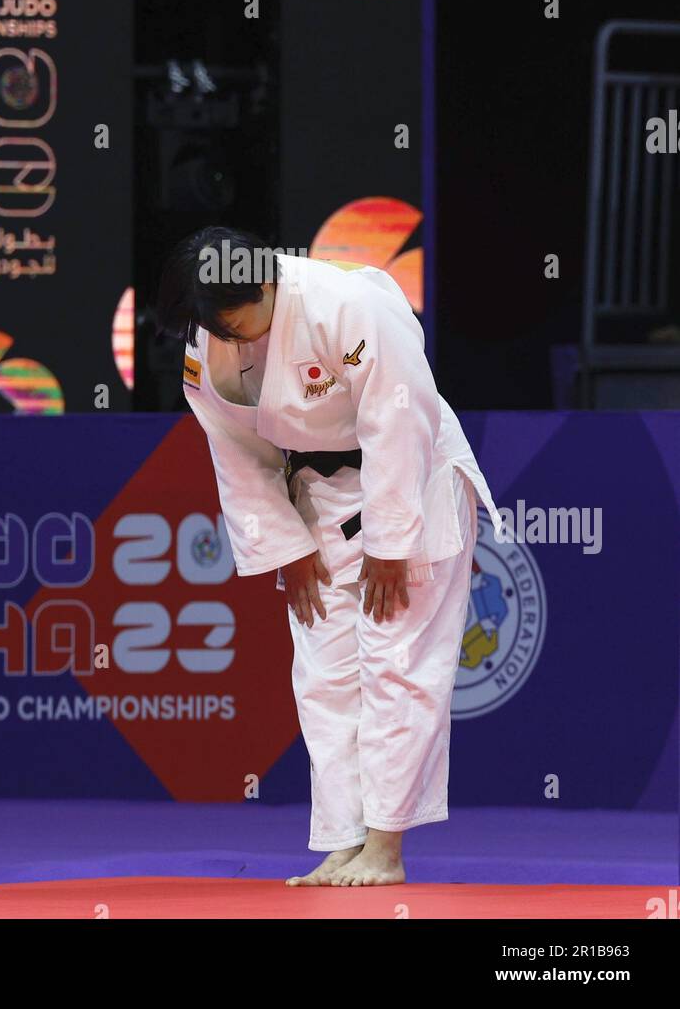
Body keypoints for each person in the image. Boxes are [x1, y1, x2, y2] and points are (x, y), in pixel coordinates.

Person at [155, 225, 504, 887]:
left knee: (397, 665)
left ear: (266, 282)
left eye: (240, 325)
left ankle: (386, 847)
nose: (234, 343)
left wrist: (392, 539)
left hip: (409, 479)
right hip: (316, 494)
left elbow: (400, 419)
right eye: (220, 332)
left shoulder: (348, 304)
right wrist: (284, 544)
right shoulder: (210, 340)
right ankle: (344, 840)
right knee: (324, 676)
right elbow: (234, 450)